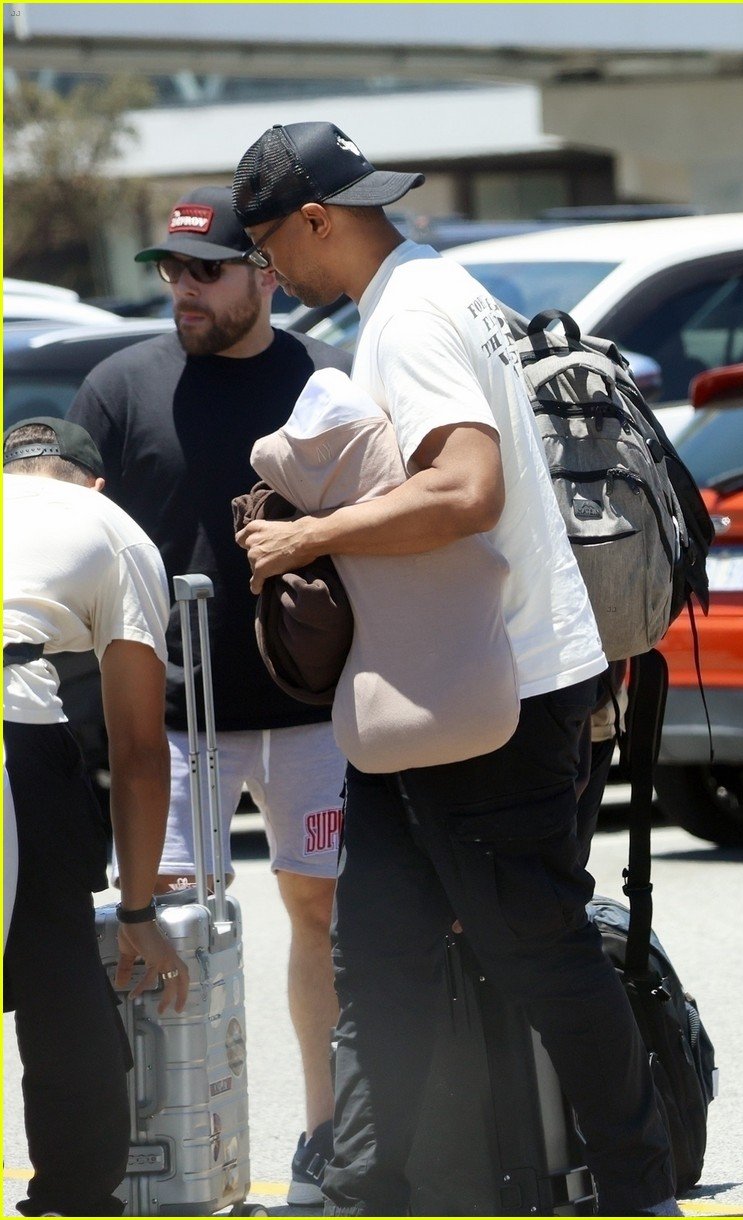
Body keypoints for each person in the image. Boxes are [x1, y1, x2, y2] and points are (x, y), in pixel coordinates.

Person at [230, 120, 679, 1217]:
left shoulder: (415, 316)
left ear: (316, 220)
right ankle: (363, 1190)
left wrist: (305, 540)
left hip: (500, 696)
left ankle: (638, 1187)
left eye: (265, 243)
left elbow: (465, 489)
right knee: (377, 955)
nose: (267, 270)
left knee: (541, 951)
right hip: (433, 695)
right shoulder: (440, 289)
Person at [67, 185, 351, 1204]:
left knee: (321, 913)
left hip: (314, 709)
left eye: (205, 270)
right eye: (170, 269)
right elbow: (63, 497)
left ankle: (325, 1141)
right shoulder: (120, 383)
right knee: (163, 928)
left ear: (264, 274)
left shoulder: (324, 379)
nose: (181, 289)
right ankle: (175, 1147)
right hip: (172, 726)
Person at [3, 417, 190, 1217]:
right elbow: (140, 750)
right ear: (95, 481)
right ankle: (75, 1201)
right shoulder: (112, 530)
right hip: (14, 732)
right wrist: (140, 907)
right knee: (58, 985)